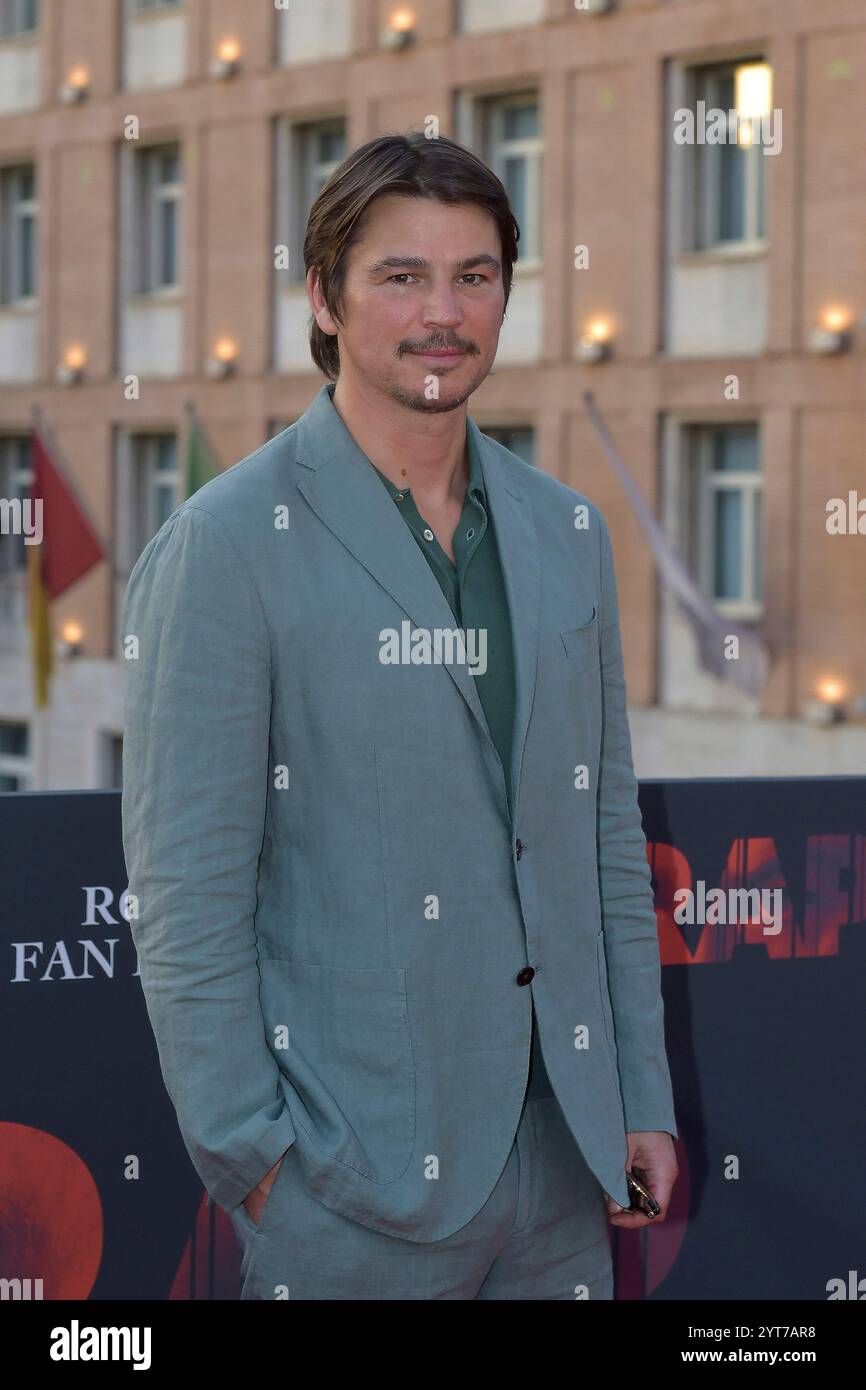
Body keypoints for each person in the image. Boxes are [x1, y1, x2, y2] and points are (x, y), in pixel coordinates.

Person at [121, 132, 678, 1300]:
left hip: (565, 1172)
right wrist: (254, 1160)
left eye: (473, 276)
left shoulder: (565, 534)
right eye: (401, 276)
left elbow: (601, 844)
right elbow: (187, 893)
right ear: (322, 297)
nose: (443, 312)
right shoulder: (225, 549)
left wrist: (636, 1097)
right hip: (346, 1192)